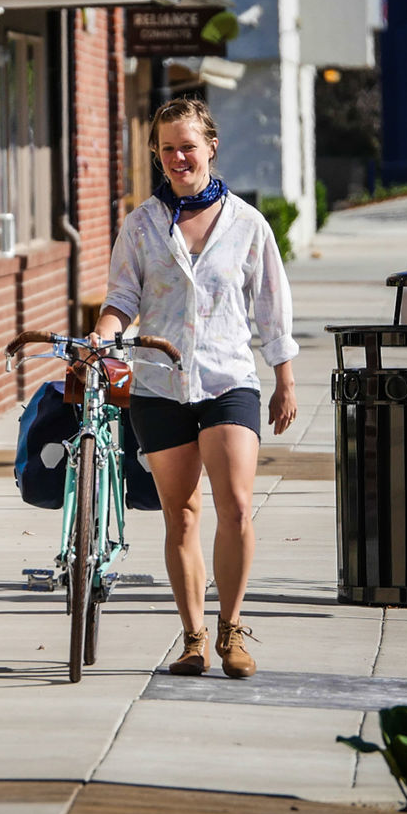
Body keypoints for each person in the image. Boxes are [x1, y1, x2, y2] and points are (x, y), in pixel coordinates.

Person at [87, 98, 298, 678]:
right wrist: (104, 336)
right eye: (167, 148)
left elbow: (271, 307)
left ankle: (231, 630)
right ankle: (193, 637)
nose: (178, 157)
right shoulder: (141, 224)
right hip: (159, 383)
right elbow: (122, 298)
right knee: (179, 514)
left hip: (229, 378)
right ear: (156, 153)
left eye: (188, 145)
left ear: (211, 146)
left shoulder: (247, 223)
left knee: (235, 508)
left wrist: (283, 377)